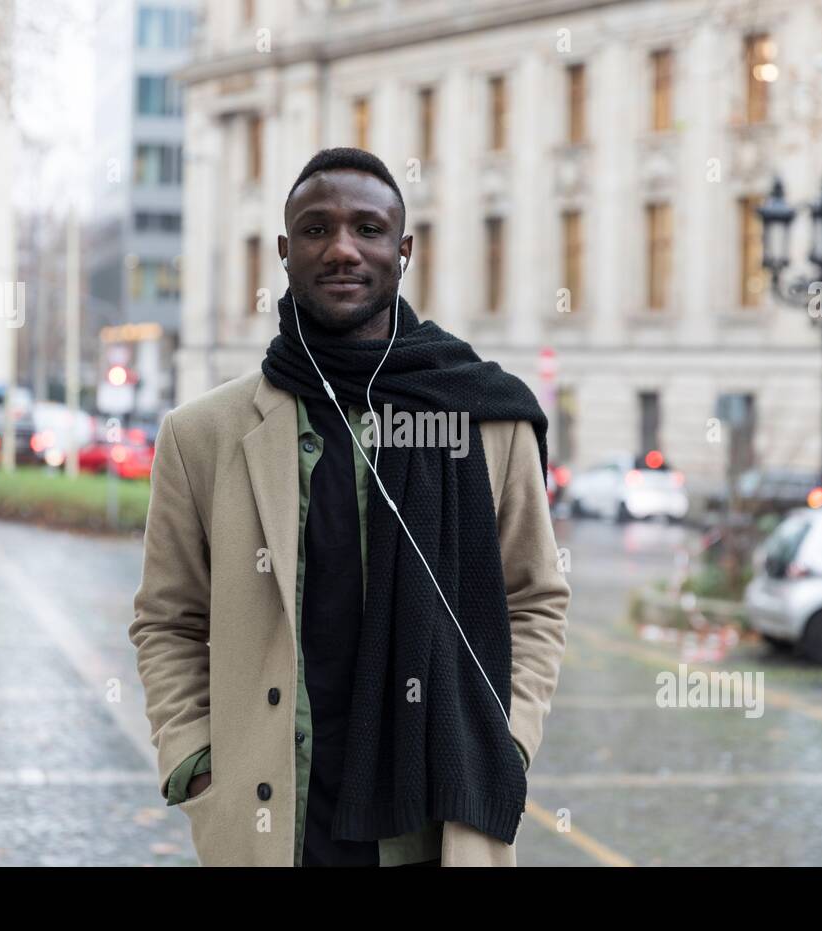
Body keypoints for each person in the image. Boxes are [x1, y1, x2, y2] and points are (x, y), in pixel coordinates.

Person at [129, 147, 570, 867]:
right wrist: (194, 758)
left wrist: (508, 741)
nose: (341, 249)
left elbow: (535, 599)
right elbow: (167, 620)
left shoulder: (485, 417)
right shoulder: (203, 435)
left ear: (403, 251)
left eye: (367, 229)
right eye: (315, 229)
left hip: (437, 819)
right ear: (284, 251)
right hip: (279, 825)